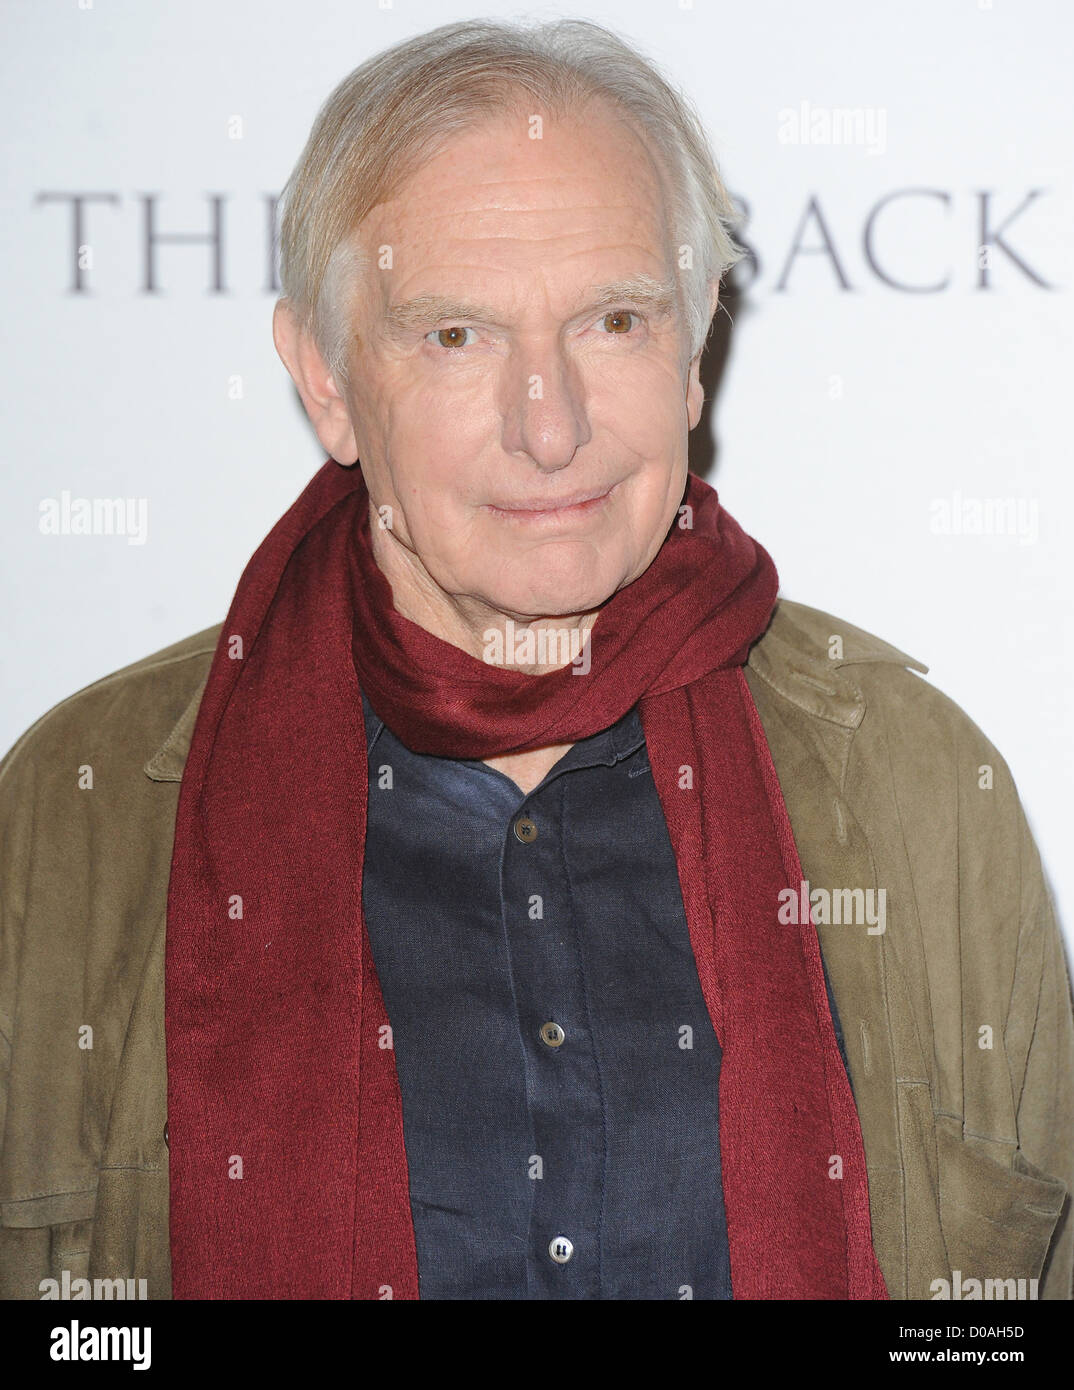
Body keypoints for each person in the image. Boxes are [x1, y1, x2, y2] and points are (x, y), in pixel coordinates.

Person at [1, 18, 1070, 1301]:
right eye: (456, 336)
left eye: (614, 320)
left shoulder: (920, 789)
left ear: (694, 349)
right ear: (326, 379)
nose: (549, 426)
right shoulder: (74, 813)